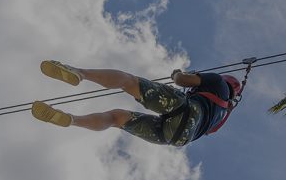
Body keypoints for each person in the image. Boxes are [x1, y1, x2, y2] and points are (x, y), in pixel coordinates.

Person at [31, 60, 240, 146]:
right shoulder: (221, 116)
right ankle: (71, 120)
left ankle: (80, 73)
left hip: (185, 109)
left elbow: (182, 81)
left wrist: (178, 74)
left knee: (128, 81)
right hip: (175, 138)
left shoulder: (218, 82)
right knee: (117, 118)